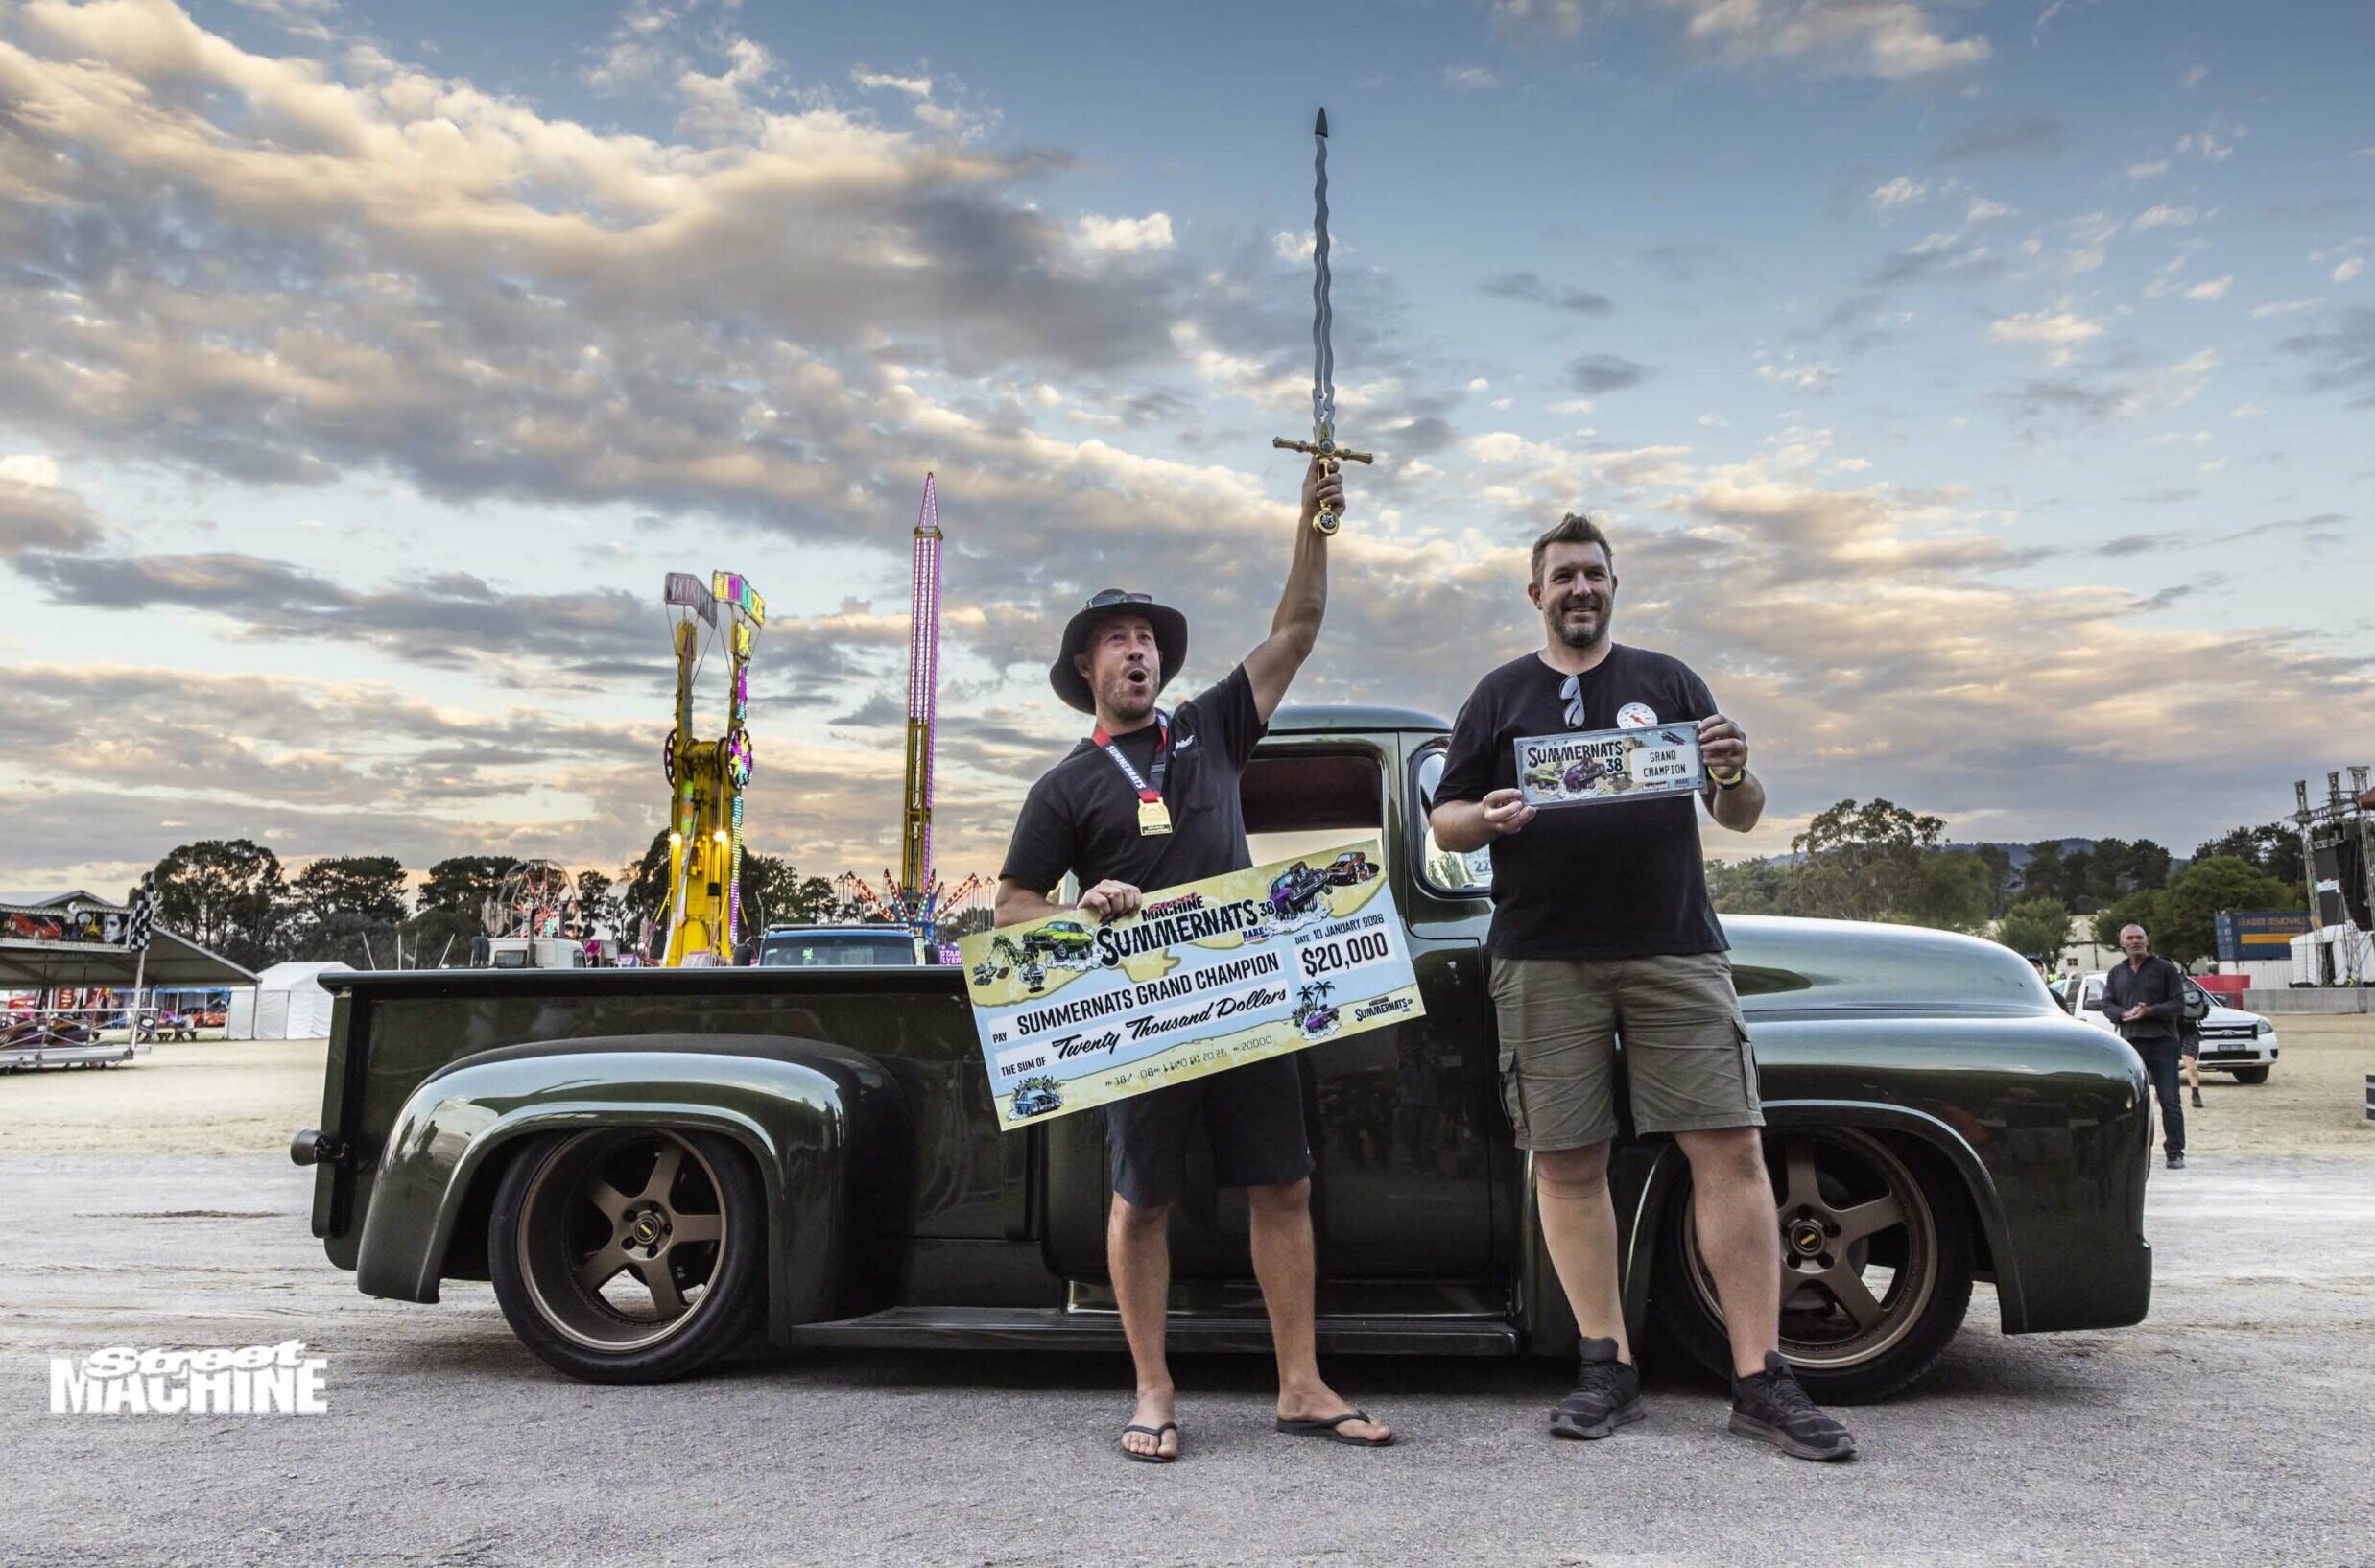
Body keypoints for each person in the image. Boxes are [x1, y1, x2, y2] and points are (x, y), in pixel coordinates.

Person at [1429, 511, 1857, 1462]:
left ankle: (1759, 1376)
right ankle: (1606, 1361)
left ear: (1612, 586)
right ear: (1534, 591)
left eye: (1594, 574)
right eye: (1563, 576)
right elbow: (1445, 820)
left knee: (1730, 1147)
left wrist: (1738, 770)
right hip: (1542, 956)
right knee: (1568, 1157)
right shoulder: (1498, 695)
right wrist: (1486, 817)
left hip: (1674, 948)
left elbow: (1738, 812)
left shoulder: (1668, 681)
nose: (1579, 589)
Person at [994, 457, 1389, 1463]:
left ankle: (1299, 1385)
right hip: (1144, 1012)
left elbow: (1295, 630)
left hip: (1249, 991)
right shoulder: (1064, 787)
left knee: (1285, 1187)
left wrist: (1314, 525)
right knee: (1143, 1201)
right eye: (1116, 640)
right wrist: (1084, 908)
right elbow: (1011, 910)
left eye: (1145, 638)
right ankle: (1154, 1387)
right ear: (1087, 669)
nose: (1136, 649)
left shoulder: (1211, 725)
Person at [2102, 923, 2188, 1166]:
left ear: (2147, 941)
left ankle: (2175, 1152)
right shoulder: (2116, 973)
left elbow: (2178, 1004)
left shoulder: (2166, 969)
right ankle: (2131, 1153)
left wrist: (2150, 1011)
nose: (2135, 941)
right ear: (2122, 942)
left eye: (2140, 937)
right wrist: (2123, 1013)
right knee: (2130, 1101)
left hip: (2163, 1043)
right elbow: (2107, 1004)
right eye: (2130, 938)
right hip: (2131, 1044)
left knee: (2169, 1100)